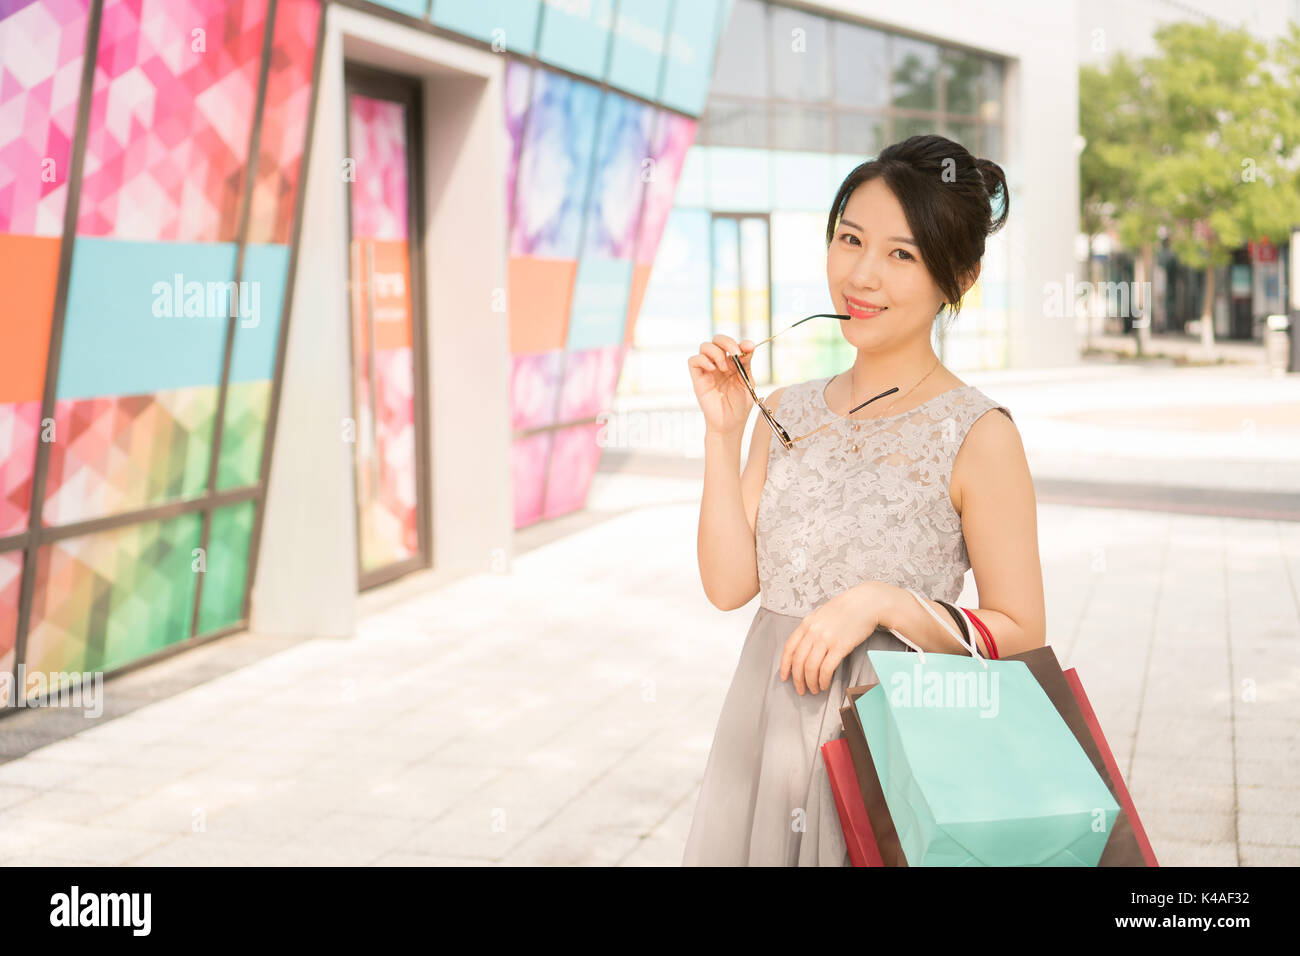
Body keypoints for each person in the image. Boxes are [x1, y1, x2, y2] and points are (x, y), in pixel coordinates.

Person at [681, 135, 1046, 866]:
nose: (862, 274)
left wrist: (883, 602)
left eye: (901, 254)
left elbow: (1022, 631)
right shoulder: (787, 409)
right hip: (767, 732)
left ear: (960, 277)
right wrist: (723, 435)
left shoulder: (977, 434)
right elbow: (729, 587)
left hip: (893, 747)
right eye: (850, 239)